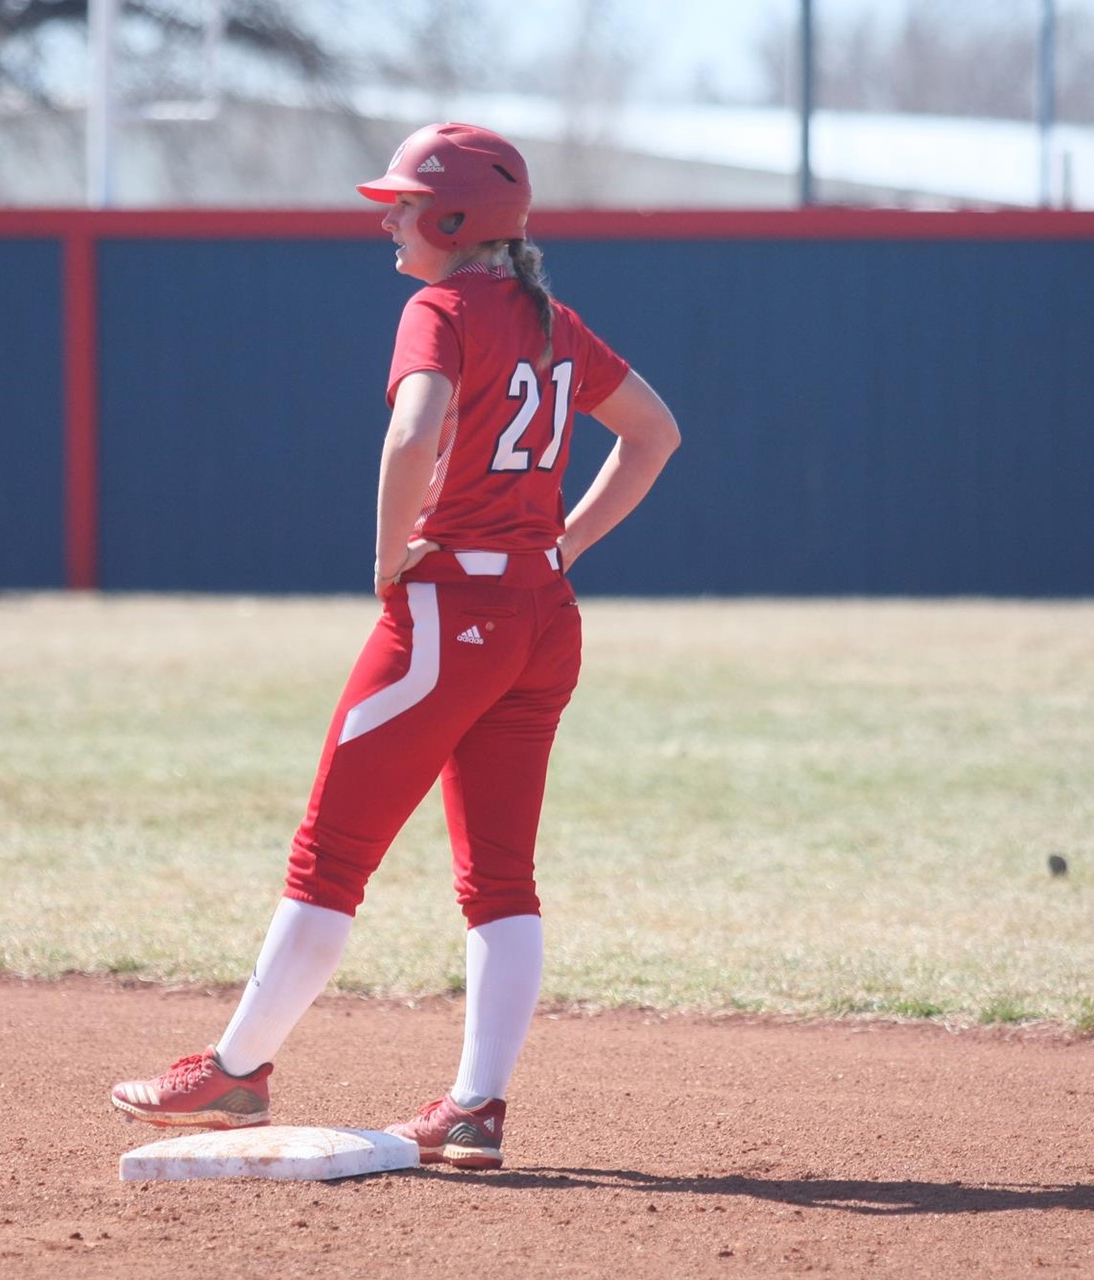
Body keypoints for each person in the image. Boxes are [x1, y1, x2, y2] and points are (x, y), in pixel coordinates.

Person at [110, 122, 680, 1170]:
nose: (388, 220)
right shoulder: (551, 316)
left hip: (444, 615)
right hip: (541, 622)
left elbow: (412, 432)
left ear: (455, 220)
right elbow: (656, 432)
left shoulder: (440, 306)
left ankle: (239, 1066)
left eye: (405, 205)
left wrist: (386, 557)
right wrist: (568, 541)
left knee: (330, 855)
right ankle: (474, 1108)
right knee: (501, 876)